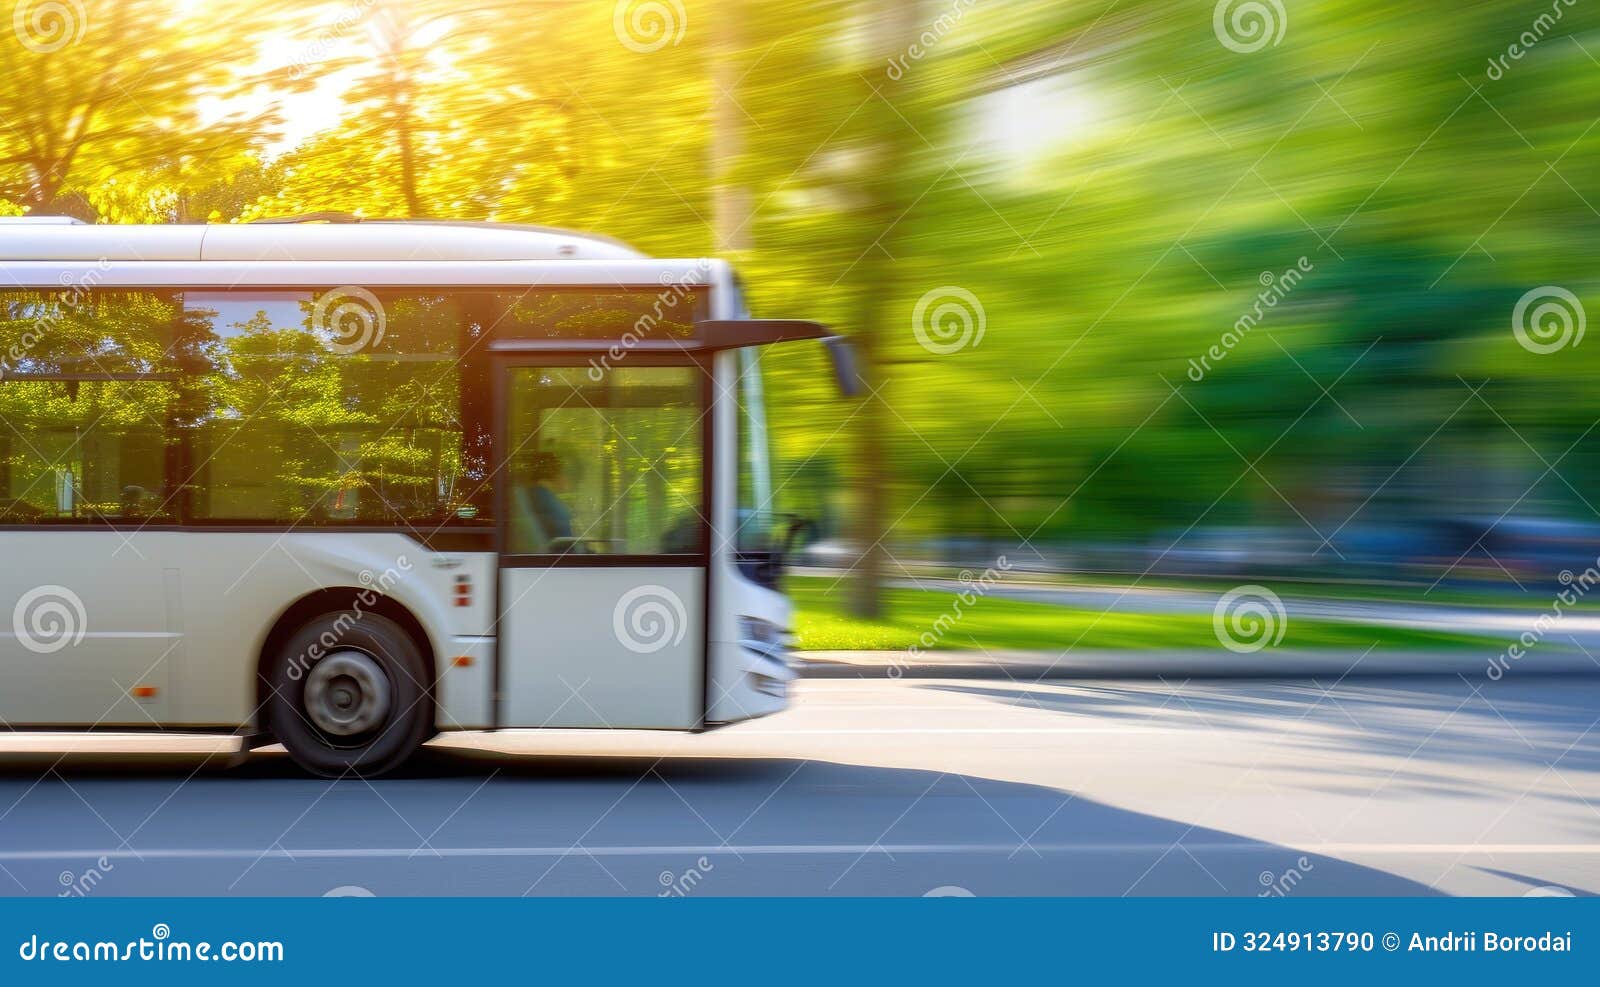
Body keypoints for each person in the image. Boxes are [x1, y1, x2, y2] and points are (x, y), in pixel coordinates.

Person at [525, 451, 574, 544]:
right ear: (556, 474)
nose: (568, 479)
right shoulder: (552, 505)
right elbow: (566, 545)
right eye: (564, 472)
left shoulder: (536, 494)